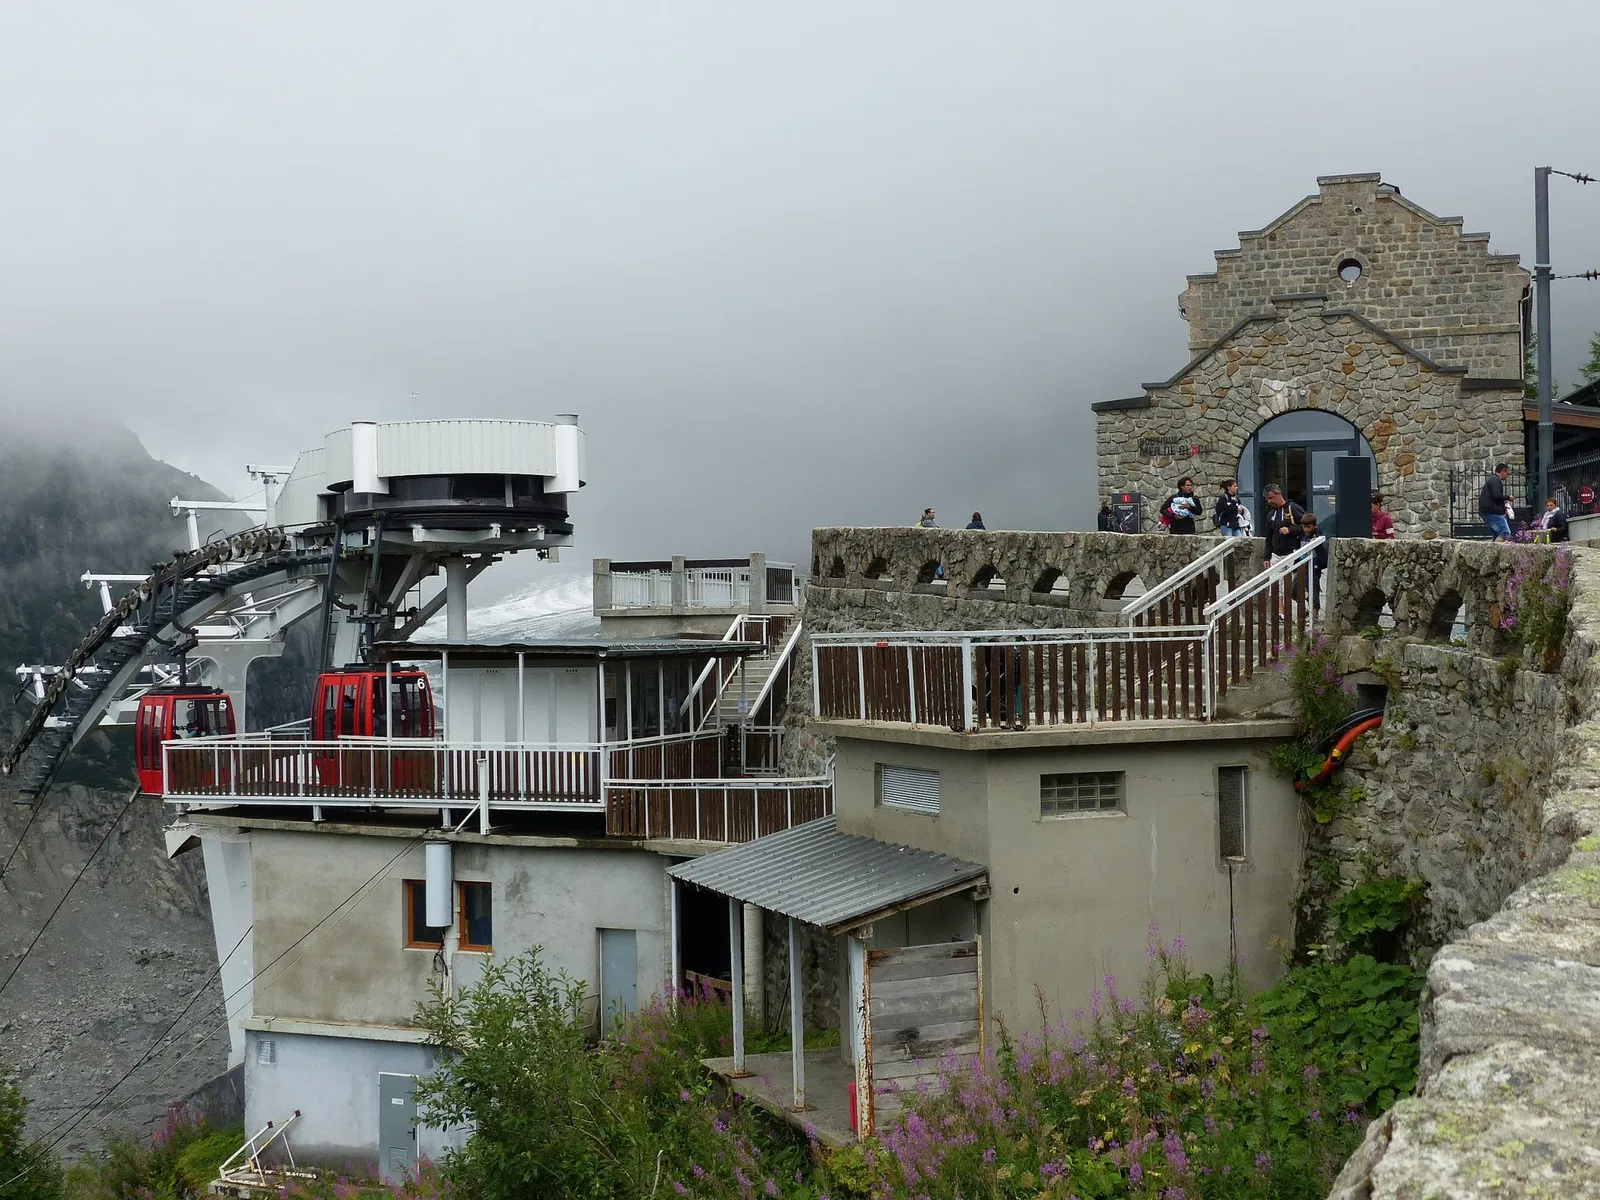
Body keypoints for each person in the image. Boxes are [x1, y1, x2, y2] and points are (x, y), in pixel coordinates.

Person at [1262, 484, 1305, 567]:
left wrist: (1290, 530)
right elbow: (1269, 537)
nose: (1269, 501)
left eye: (1271, 498)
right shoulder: (1270, 514)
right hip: (1276, 555)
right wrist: (1266, 557)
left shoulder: (1293, 508)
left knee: (1291, 575)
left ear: (1278, 494)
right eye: (1267, 499)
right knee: (1274, 576)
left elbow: (1307, 526)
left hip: (1292, 553)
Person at [1298, 511, 1330, 611]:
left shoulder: (1318, 537)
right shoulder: (1301, 535)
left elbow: (1323, 555)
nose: (1306, 529)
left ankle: (1315, 613)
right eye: (1304, 527)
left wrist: (1319, 565)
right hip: (1302, 566)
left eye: (1309, 527)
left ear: (1315, 526)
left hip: (1314, 568)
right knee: (1294, 589)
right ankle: (1308, 606)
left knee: (1314, 590)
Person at [1479, 464, 1512, 541]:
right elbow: (1497, 496)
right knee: (1505, 533)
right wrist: (1508, 497)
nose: (1508, 476)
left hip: (1488, 512)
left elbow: (1495, 497)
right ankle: (1494, 549)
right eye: (1508, 473)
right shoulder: (1496, 481)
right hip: (1492, 513)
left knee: (1496, 534)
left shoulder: (1492, 480)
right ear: (1503, 471)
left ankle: (1493, 547)